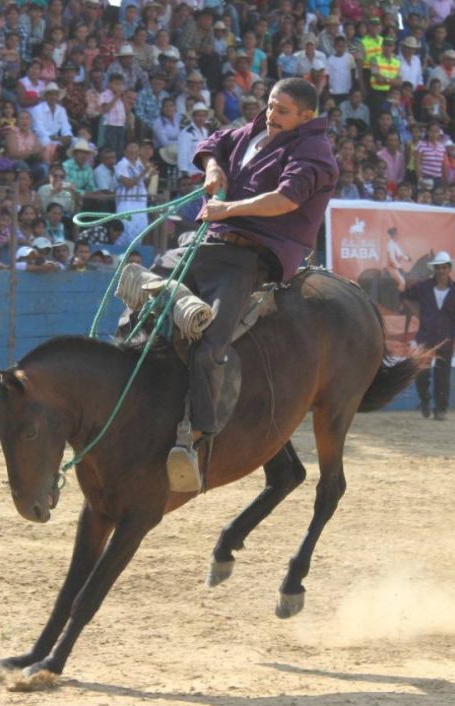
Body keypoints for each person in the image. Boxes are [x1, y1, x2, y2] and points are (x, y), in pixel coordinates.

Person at [166, 77, 337, 492]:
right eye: (271, 105)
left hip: (249, 258)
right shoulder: (256, 130)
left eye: (282, 111)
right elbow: (215, 142)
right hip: (208, 243)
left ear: (306, 117)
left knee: (213, 339)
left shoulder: (315, 153)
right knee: (143, 302)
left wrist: (226, 209)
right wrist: (213, 167)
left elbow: (286, 199)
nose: (272, 115)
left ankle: (197, 438)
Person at [402, 251, 455, 421]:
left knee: (442, 375)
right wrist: (416, 312)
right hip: (426, 335)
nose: (441, 271)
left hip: (445, 337)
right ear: (435, 269)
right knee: (422, 373)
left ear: (449, 269)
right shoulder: (423, 287)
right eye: (439, 268)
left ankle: (440, 409)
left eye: (444, 267)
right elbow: (405, 296)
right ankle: (425, 400)